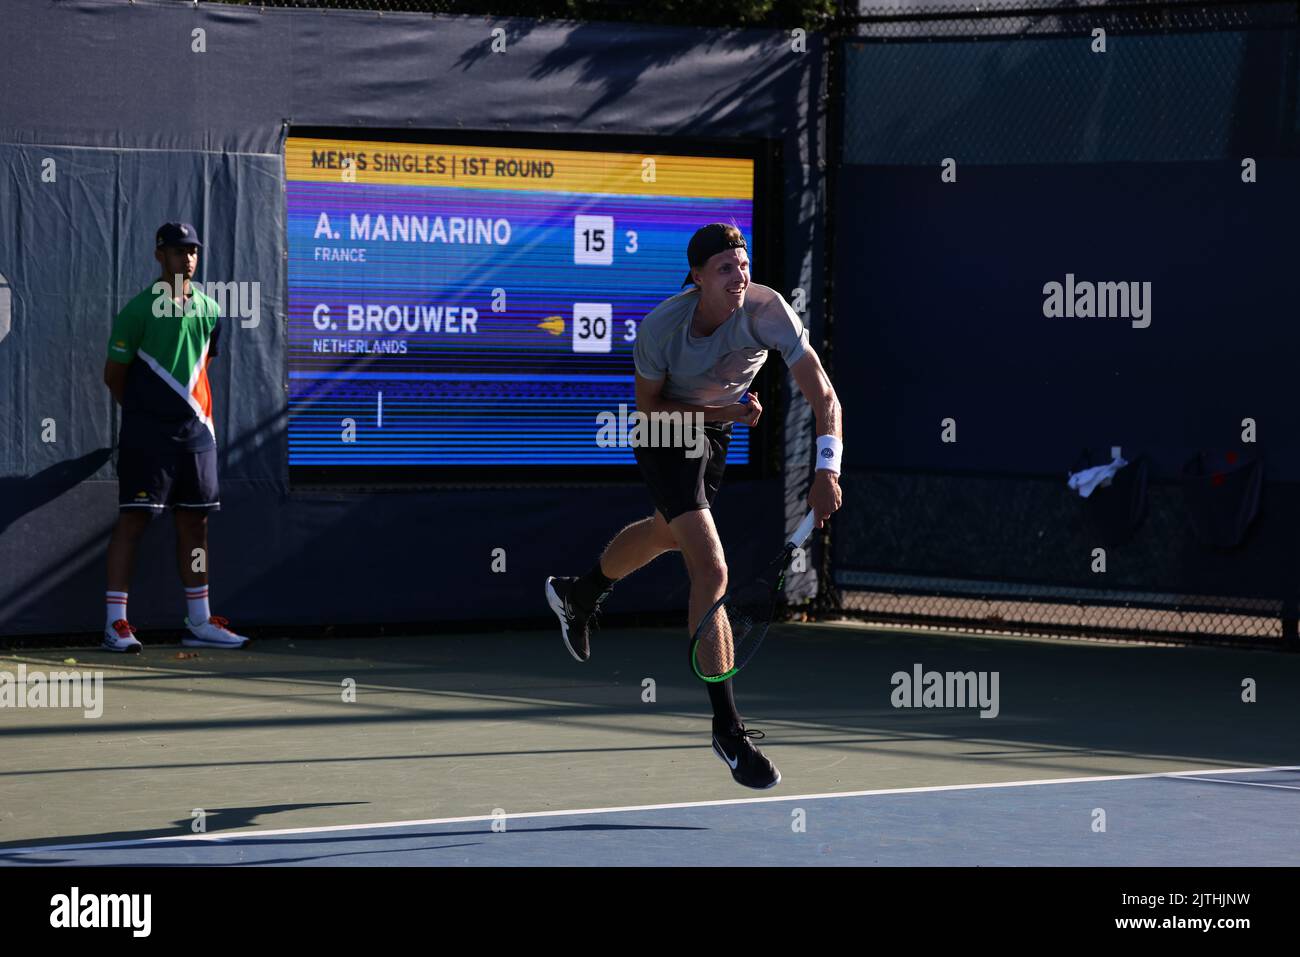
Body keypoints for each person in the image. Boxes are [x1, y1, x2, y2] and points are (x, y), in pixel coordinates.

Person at [546, 223, 842, 788]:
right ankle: (727, 728)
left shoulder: (769, 311)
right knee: (711, 567)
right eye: (726, 269)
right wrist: (725, 415)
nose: (740, 277)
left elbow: (824, 395)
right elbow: (651, 411)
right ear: (698, 277)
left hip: (717, 431)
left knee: (665, 531)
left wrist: (827, 468)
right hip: (668, 432)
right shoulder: (662, 327)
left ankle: (578, 594)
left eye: (744, 264)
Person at [101, 222, 249, 652]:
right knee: (134, 520)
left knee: (195, 523)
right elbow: (114, 376)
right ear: (159, 255)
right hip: (148, 436)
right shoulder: (137, 310)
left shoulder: (209, 309)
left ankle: (200, 621)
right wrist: (147, 414)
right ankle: (116, 624)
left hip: (197, 435)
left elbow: (200, 368)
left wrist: (191, 415)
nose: (186, 258)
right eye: (177, 251)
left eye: (193, 251)